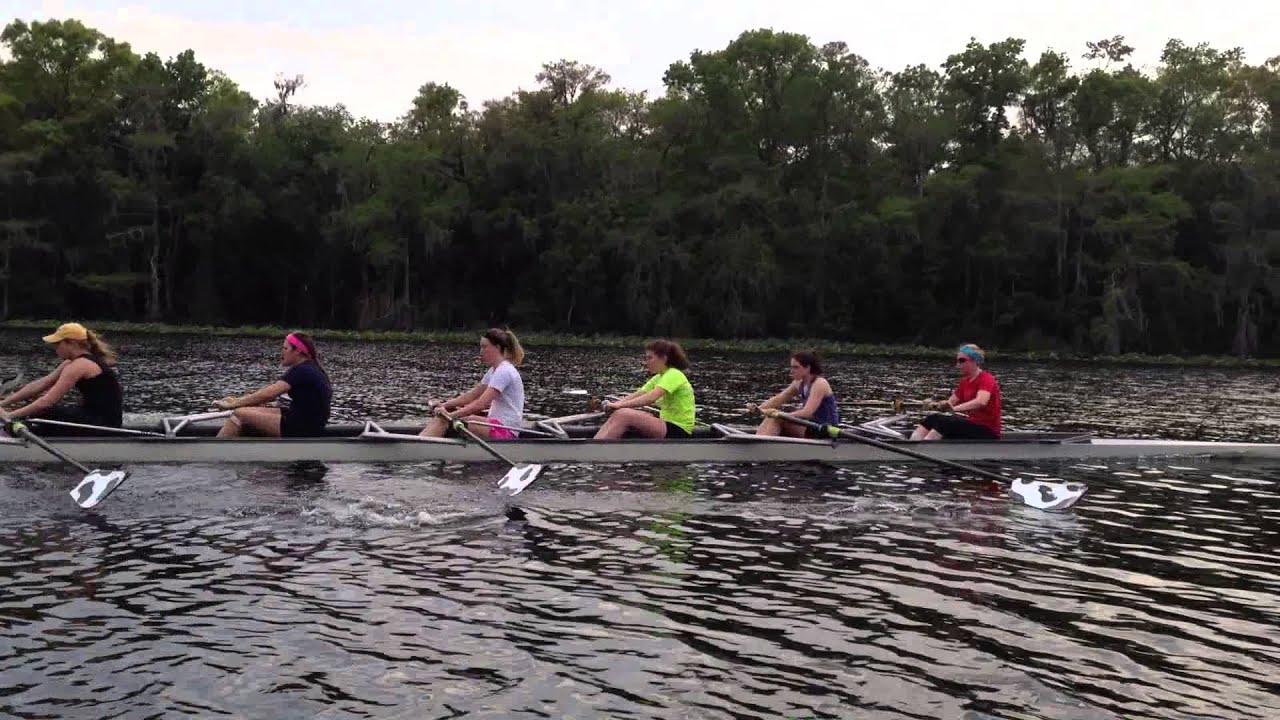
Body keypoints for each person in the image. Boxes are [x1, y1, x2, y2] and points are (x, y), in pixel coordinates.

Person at [0, 322, 123, 432]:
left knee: (45, 412)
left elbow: (46, 401)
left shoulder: (79, 365)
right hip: (94, 417)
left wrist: (9, 416)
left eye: (57, 344)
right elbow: (40, 384)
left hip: (104, 424)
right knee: (41, 413)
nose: (55, 349)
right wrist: (3, 403)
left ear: (71, 343)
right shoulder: (71, 363)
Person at [215, 332, 331, 438]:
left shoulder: (302, 371)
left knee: (239, 414)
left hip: (302, 428)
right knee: (245, 409)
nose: (282, 352)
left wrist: (234, 404)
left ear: (297, 351)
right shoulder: (310, 367)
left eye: (285, 348)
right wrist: (238, 400)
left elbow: (268, 394)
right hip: (309, 423)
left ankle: (216, 451)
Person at [421, 328, 526, 439]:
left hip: (506, 431)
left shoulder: (504, 371)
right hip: (494, 424)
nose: (481, 352)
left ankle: (420, 445)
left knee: (447, 420)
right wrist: (445, 405)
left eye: (485, 347)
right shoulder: (493, 370)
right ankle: (422, 441)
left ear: (497, 348)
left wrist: (450, 416)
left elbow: (480, 404)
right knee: (447, 416)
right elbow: (471, 396)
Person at [594, 339, 695, 440]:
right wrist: (617, 404)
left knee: (624, 415)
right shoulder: (659, 377)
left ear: (664, 359)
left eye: (650, 358)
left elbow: (650, 398)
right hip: (666, 425)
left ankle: (595, 450)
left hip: (679, 430)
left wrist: (619, 405)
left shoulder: (674, 374)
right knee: (620, 413)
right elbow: (639, 394)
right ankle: (595, 443)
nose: (646, 363)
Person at [911, 343, 1001, 441]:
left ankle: (925, 449)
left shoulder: (986, 378)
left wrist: (953, 409)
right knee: (932, 418)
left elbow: (981, 402)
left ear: (974, 361)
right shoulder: (965, 382)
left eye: (961, 360)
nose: (958, 365)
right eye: (957, 361)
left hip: (988, 431)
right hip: (973, 426)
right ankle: (912, 445)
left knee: (945, 422)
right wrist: (934, 405)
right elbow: (949, 403)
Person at [750, 350, 839, 437]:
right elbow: (779, 398)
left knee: (777, 417)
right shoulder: (798, 383)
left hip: (825, 430)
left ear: (807, 368)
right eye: (791, 367)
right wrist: (759, 408)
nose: (792, 371)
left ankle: (761, 444)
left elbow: (807, 412)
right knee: (772, 417)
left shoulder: (820, 384)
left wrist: (782, 415)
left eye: (796, 367)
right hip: (811, 426)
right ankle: (760, 440)